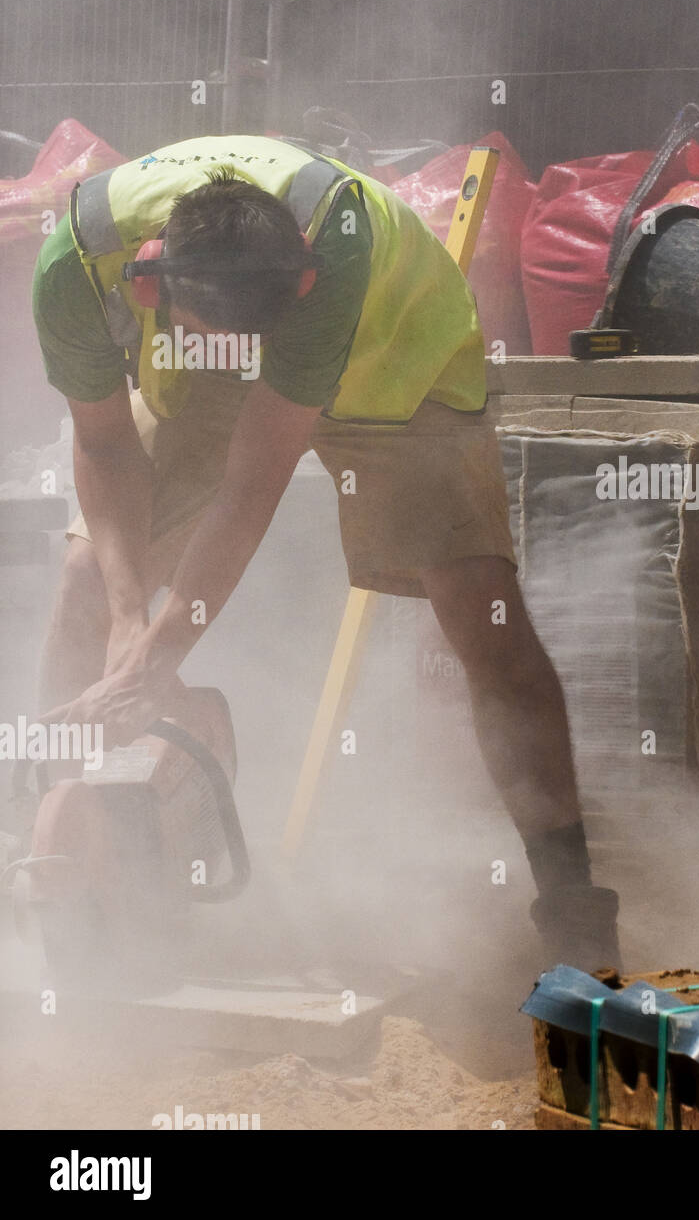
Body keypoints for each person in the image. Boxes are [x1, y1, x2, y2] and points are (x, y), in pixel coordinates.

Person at [23, 133, 620, 969]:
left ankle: (572, 907)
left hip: (397, 356)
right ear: (151, 281)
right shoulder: (76, 269)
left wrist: (157, 660)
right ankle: (68, 873)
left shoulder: (328, 264)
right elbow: (109, 451)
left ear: (296, 283)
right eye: (213, 335)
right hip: (214, 364)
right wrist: (128, 624)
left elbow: (248, 488)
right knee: (88, 576)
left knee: (478, 606)